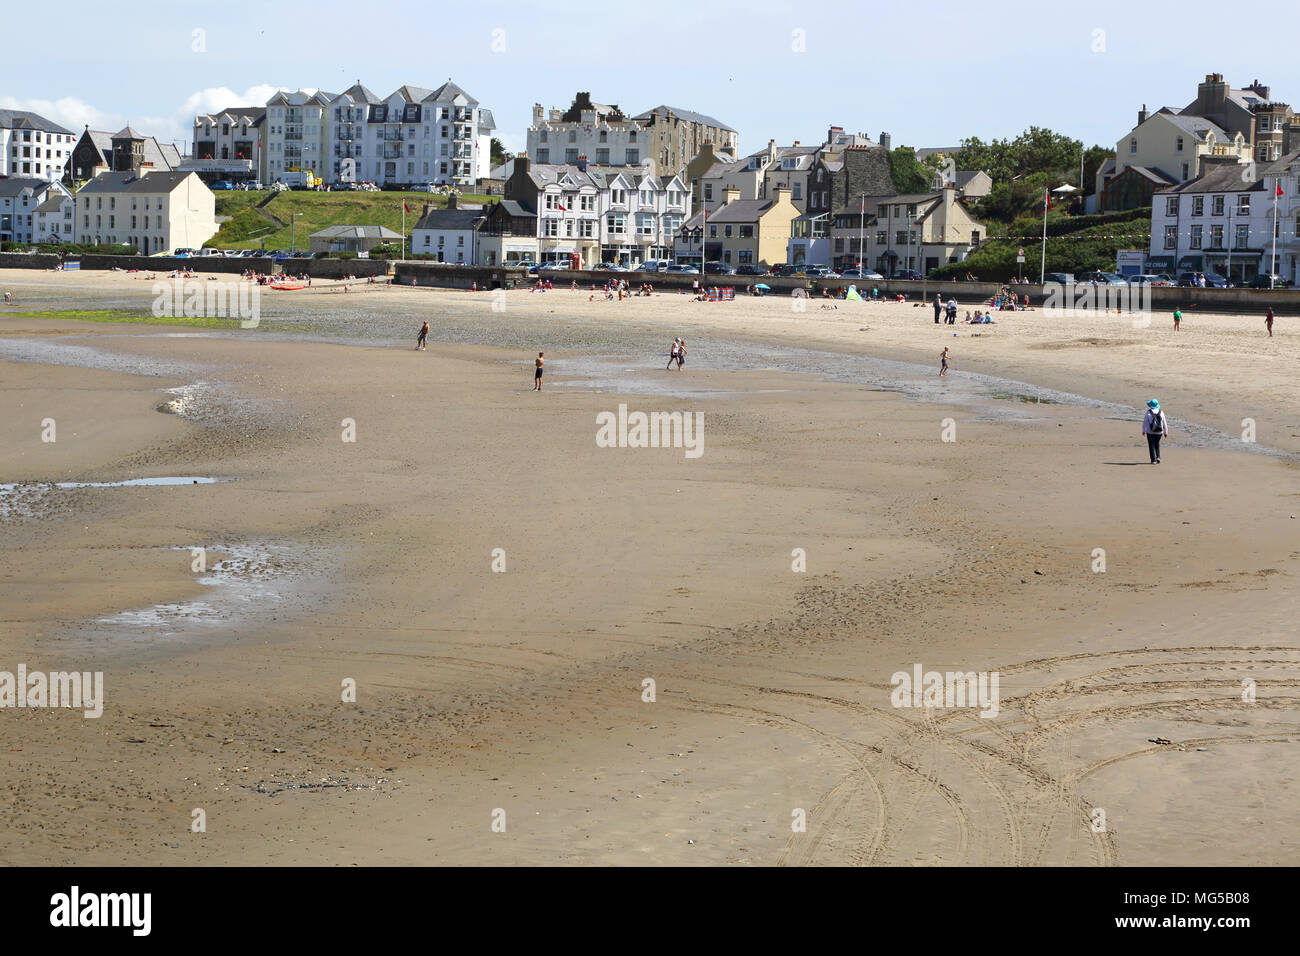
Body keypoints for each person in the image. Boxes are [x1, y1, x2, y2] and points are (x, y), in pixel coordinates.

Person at [1142, 398, 1167, 464]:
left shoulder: (1148, 412)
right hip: (1159, 432)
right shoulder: (1161, 412)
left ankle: (1153, 460)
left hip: (1150, 432)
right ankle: (1158, 457)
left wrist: (1143, 430)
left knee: (1151, 445)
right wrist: (1165, 432)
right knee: (1157, 444)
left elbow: (1145, 422)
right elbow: (1164, 423)